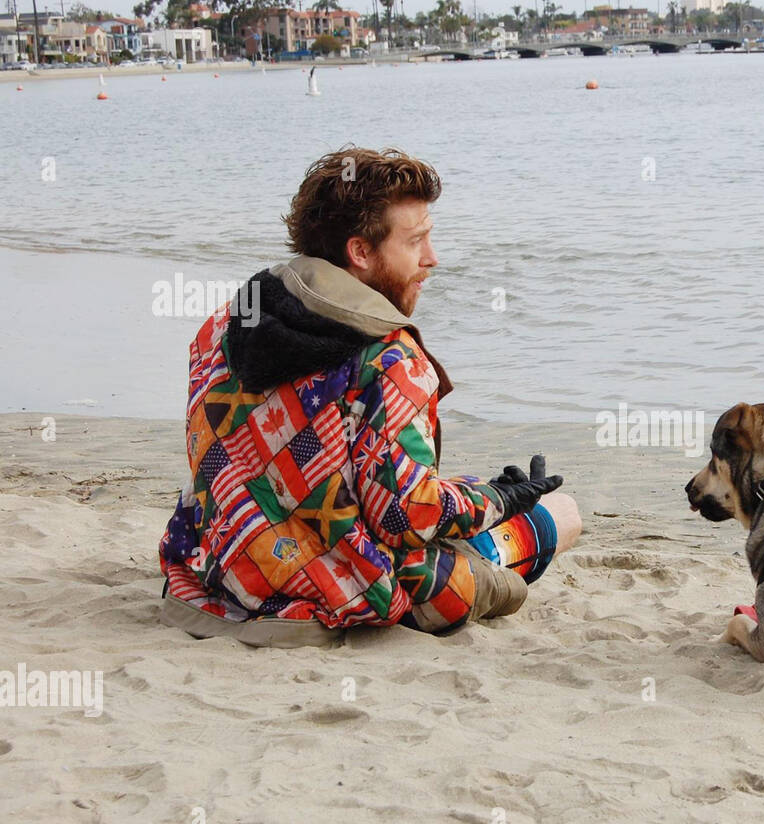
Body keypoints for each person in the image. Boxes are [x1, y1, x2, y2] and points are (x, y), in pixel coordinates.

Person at [159, 146, 580, 647]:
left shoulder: (225, 325)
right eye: (417, 241)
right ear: (360, 253)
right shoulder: (389, 360)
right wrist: (498, 498)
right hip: (340, 591)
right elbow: (405, 516)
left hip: (217, 568)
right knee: (560, 514)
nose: (432, 258)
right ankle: (523, 530)